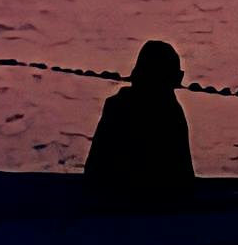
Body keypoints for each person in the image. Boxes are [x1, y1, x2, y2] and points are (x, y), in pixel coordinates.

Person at [83, 40, 196, 201]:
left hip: (111, 202)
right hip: (144, 206)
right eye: (175, 77)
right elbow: (183, 179)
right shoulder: (169, 113)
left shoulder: (116, 106)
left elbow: (93, 172)